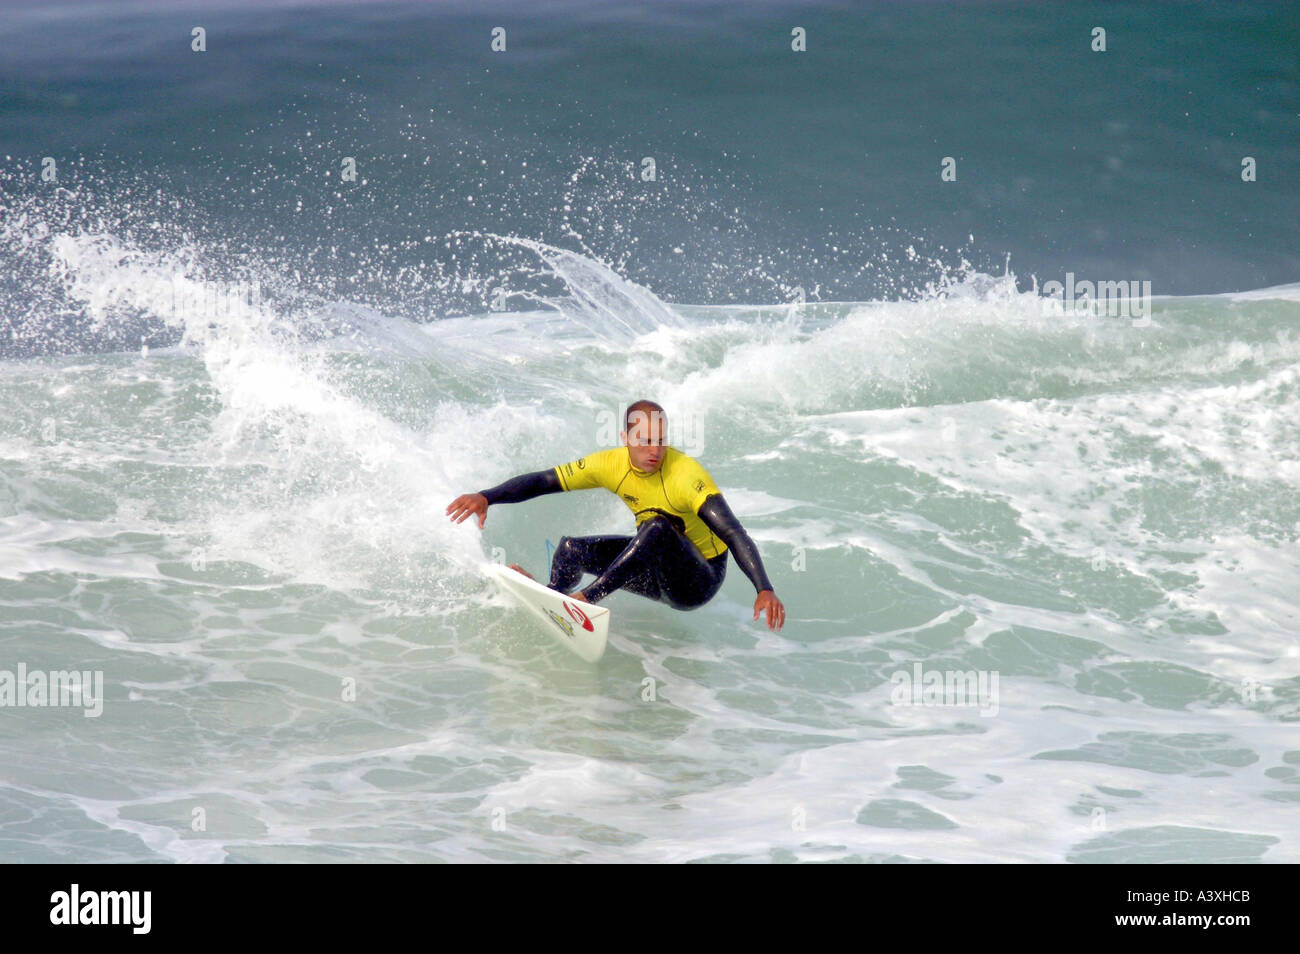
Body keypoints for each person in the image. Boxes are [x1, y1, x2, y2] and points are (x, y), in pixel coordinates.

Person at [446, 400, 786, 630]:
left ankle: (582, 600)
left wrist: (763, 588)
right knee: (570, 550)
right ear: (626, 439)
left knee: (657, 529)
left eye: (661, 441)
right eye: (644, 440)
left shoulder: (686, 475)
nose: (654, 451)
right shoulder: (610, 464)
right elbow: (546, 480)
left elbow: (733, 533)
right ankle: (555, 598)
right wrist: (486, 496)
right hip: (651, 572)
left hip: (696, 582)